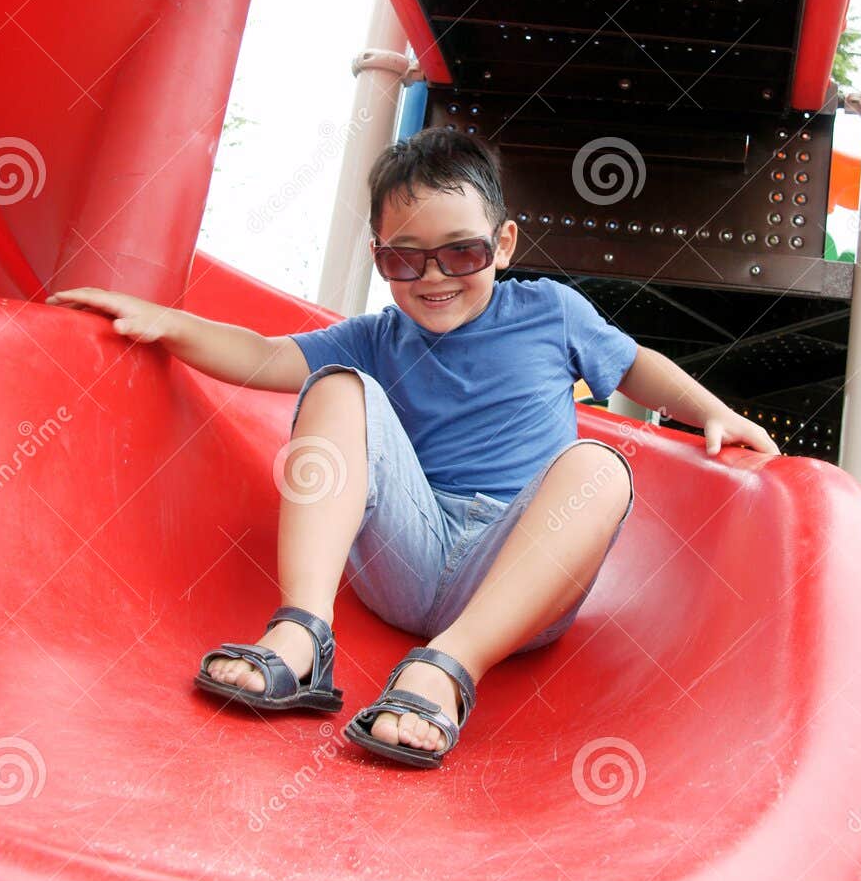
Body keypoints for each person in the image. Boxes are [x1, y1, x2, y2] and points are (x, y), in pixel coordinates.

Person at [46, 127, 779, 769]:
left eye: (461, 253)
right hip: (407, 552)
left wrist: (713, 412)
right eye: (406, 260)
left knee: (599, 467)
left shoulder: (550, 312)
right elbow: (264, 356)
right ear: (378, 257)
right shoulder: (374, 338)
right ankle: (302, 632)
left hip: (519, 573)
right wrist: (169, 324)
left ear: (504, 244)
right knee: (337, 385)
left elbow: (635, 365)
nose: (434, 278)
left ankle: (447, 670)